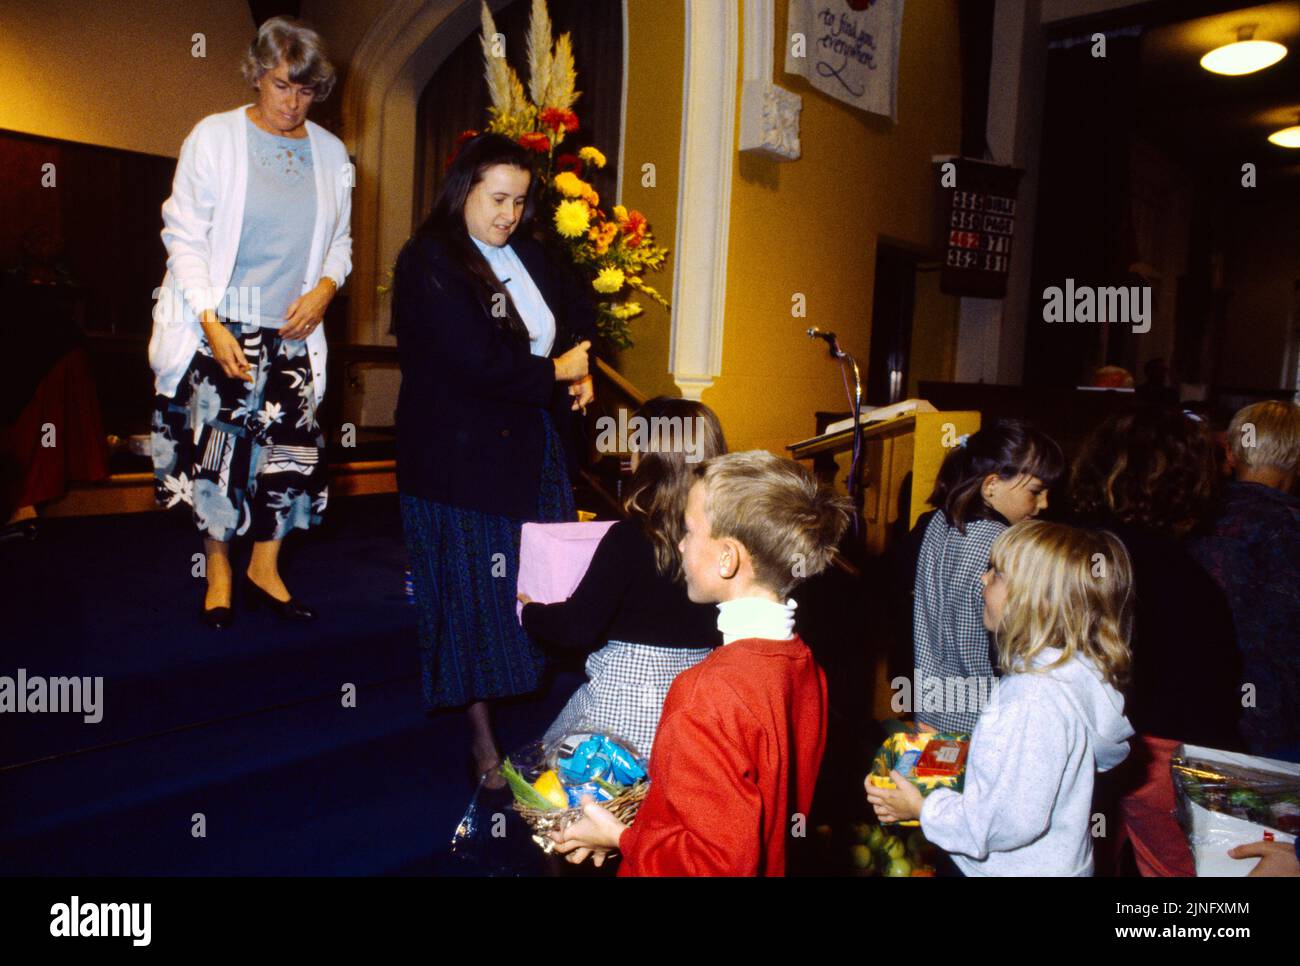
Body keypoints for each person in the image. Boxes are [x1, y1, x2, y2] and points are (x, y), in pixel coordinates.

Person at [392, 132, 596, 786]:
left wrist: (579, 368)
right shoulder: (430, 259)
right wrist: (553, 371)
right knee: (472, 597)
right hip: (458, 462)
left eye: (520, 200)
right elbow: (471, 359)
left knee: (525, 588)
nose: (509, 213)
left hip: (529, 450)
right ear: (465, 191)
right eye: (497, 198)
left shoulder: (530, 252)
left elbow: (574, 309)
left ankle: (529, 708)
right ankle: (481, 743)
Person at [549, 451, 851, 875]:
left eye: (689, 531)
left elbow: (715, 865)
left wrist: (622, 839)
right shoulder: (803, 663)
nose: (680, 543)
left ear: (727, 558)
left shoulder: (704, 692)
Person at [148, 17, 351, 629]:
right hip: (224, 324)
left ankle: (266, 565)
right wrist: (210, 320)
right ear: (258, 74)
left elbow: (339, 242)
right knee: (219, 456)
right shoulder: (214, 138)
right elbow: (183, 236)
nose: (295, 103)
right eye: (284, 86)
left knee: (290, 458)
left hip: (293, 333)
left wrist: (324, 288)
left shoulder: (333, 153)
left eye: (309, 91)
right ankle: (219, 571)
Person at [868, 520, 1135, 876]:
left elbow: (1002, 821)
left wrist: (921, 808)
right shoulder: (1076, 675)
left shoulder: (1032, 696)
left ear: (1033, 601)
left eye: (996, 573)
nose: (983, 579)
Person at [1070, 406, 1243, 877]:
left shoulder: (1068, 555)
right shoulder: (1187, 577)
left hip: (1079, 747)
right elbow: (1214, 694)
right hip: (1165, 755)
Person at [519, 398, 726, 757]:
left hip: (623, 715)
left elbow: (574, 629)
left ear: (652, 458)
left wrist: (532, 611)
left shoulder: (631, 537)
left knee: (565, 794)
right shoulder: (727, 541)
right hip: (692, 713)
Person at [912, 419, 1063, 734]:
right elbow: (1013, 651)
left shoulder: (938, 523)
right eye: (1036, 491)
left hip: (933, 709)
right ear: (991, 484)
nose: (1044, 504)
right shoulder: (1003, 546)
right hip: (982, 720)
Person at [1189, 400, 1300, 760]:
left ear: (1232, 454)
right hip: (1277, 716)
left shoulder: (1193, 514)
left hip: (1197, 701)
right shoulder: (1289, 525)